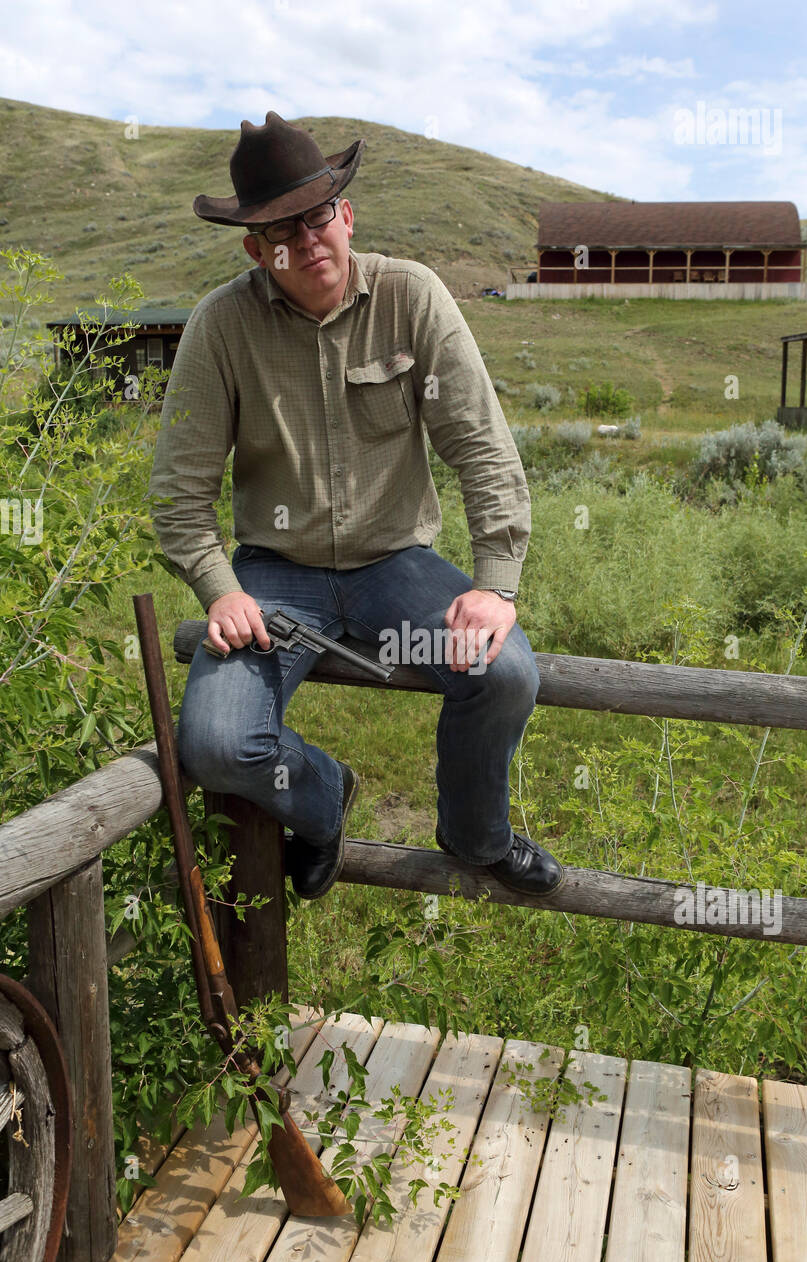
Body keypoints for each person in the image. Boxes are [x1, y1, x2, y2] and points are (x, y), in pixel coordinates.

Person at [147, 112, 563, 902]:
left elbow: (482, 444)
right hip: (275, 576)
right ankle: (322, 799)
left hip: (396, 566)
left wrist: (495, 582)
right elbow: (178, 490)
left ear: (346, 216)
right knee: (215, 741)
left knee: (504, 672)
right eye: (278, 229)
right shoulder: (220, 326)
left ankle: (477, 836)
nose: (305, 241)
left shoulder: (412, 297)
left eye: (316, 216)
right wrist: (219, 590)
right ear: (254, 248)